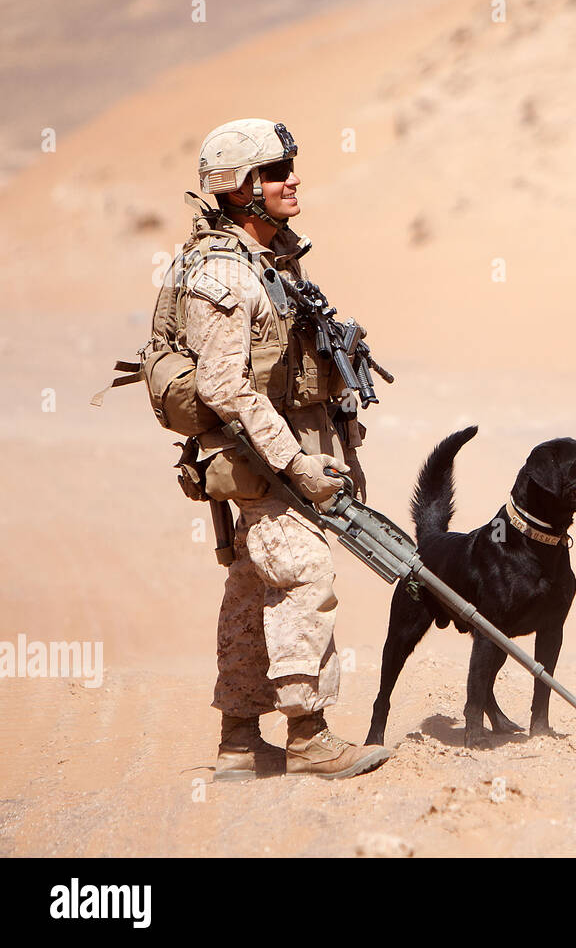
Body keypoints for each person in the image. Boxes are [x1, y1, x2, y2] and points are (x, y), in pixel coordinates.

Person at [181, 118, 391, 781]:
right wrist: (296, 464)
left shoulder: (271, 259)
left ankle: (239, 742)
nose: (291, 179)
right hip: (261, 462)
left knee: (252, 587)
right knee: (303, 574)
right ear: (237, 188)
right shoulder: (222, 275)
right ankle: (310, 736)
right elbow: (222, 386)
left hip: (284, 455)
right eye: (273, 172)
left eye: (289, 167)